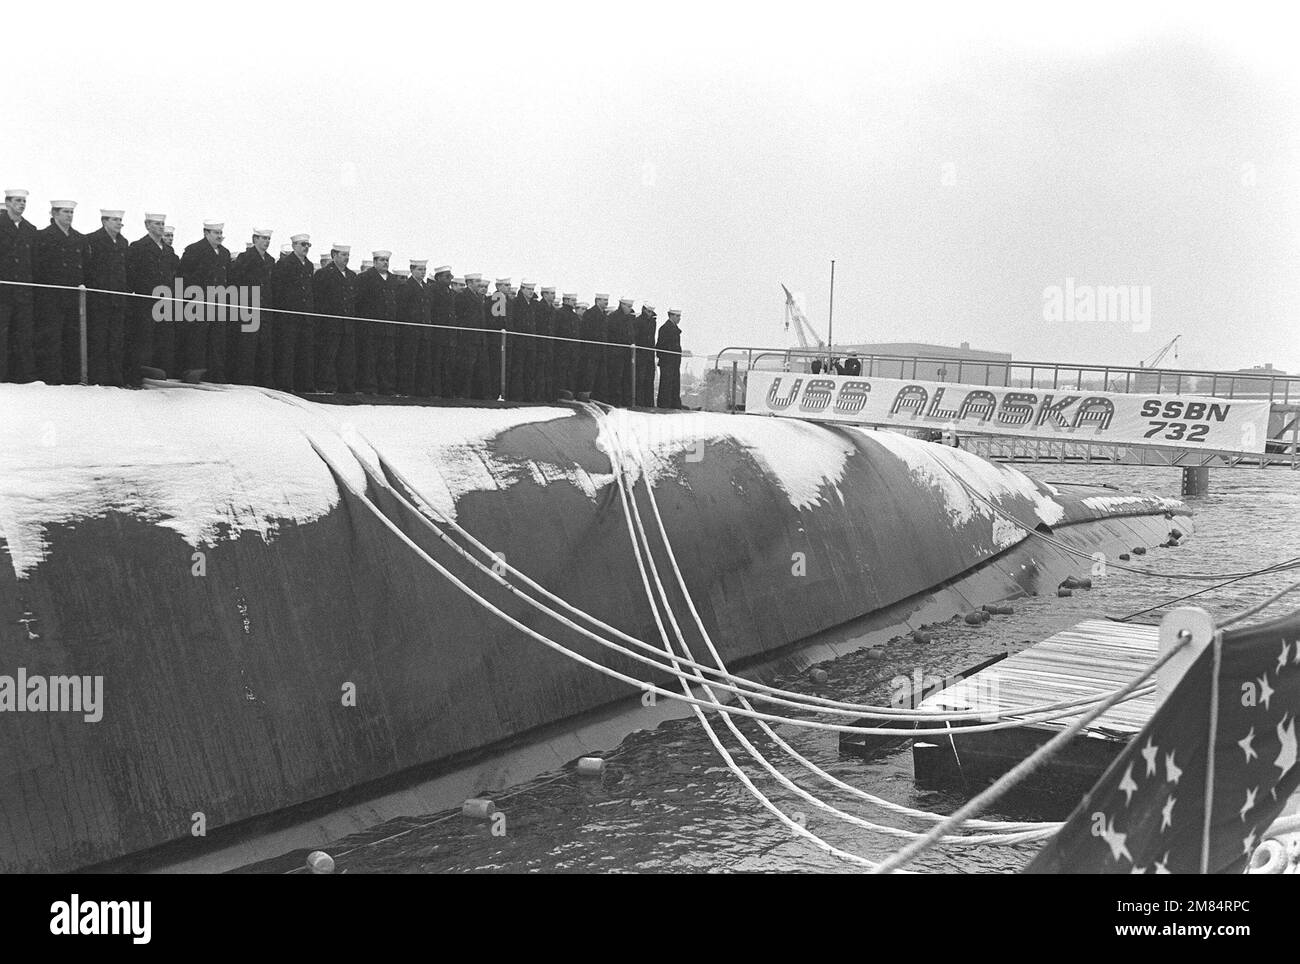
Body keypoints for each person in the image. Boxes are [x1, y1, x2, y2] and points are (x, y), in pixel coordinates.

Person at [32, 200, 87, 384]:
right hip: (51, 296)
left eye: (71, 212)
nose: (69, 215)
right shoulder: (43, 236)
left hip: (72, 296)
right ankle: (51, 376)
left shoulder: (79, 238)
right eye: (65, 212)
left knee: (71, 337)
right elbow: (37, 265)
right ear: (54, 213)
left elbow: (85, 266)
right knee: (51, 337)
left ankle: (70, 377)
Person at [178, 219, 231, 381]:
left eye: (221, 233)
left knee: (217, 339)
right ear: (206, 233)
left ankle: (215, 374)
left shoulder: (224, 253)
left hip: (218, 302)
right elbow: (182, 276)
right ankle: (194, 372)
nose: (219, 236)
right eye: (216, 233)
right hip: (198, 301)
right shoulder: (194, 250)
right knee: (197, 339)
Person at [84, 209, 130, 386]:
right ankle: (99, 377)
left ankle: (115, 378)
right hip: (99, 299)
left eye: (120, 220)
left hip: (118, 300)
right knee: (99, 340)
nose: (119, 223)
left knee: (116, 340)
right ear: (104, 221)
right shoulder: (92, 240)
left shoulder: (123, 242)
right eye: (115, 220)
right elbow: (89, 269)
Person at [229, 228, 276, 385]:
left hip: (264, 309)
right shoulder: (245, 258)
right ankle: (245, 381)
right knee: (247, 348)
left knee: (265, 348)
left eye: (268, 239)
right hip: (249, 309)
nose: (266, 242)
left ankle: (263, 382)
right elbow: (236, 281)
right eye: (263, 238)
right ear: (255, 239)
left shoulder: (270, 260)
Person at [0, 188, 37, 383]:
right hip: (2, 291)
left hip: (23, 292)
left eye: (24, 201)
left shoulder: (30, 230)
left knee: (23, 334)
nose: (21, 204)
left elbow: (35, 261)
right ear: (7, 203)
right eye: (17, 200)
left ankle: (23, 375)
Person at [270, 233, 314, 391]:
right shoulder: (285, 264)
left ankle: (302, 384)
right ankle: (285, 384)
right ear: (294, 246)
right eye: (303, 244)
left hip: (305, 316)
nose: (306, 248)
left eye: (308, 245)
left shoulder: (308, 266)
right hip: (289, 316)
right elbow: (278, 290)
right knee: (287, 351)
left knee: (304, 351)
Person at [312, 242, 357, 393]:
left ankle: (345, 386)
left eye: (348, 255)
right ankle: (327, 385)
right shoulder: (323, 274)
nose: (346, 258)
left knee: (346, 357)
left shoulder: (351, 276)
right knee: (328, 356)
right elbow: (318, 300)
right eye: (343, 255)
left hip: (347, 324)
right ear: (334, 255)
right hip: (330, 324)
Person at [355, 250, 397, 394]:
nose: (385, 263)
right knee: (370, 358)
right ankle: (369, 386)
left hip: (388, 327)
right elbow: (359, 301)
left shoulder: (393, 279)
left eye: (387, 260)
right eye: (382, 260)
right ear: (374, 262)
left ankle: (386, 387)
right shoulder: (365, 278)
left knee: (387, 359)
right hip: (371, 327)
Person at [395, 259, 430, 396]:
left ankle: (420, 390)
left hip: (424, 330)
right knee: (408, 361)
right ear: (412, 270)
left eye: (424, 270)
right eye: (420, 269)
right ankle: (406, 389)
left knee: (422, 361)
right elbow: (402, 309)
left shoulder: (426, 288)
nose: (422, 272)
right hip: (410, 330)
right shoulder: (406, 286)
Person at [427, 265, 455, 397]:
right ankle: (435, 390)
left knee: (446, 362)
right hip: (437, 332)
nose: (450, 279)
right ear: (438, 277)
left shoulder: (449, 292)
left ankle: (446, 390)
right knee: (436, 362)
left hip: (447, 333)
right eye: (447, 276)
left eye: (451, 276)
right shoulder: (433, 290)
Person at [604, 297, 635, 406]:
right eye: (629, 306)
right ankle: (615, 401)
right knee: (616, 377)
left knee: (626, 377)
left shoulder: (629, 318)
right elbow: (611, 335)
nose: (630, 309)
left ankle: (625, 400)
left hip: (626, 353)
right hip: (615, 352)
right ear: (622, 305)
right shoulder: (613, 317)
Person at [509, 280, 536, 401]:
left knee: (528, 370)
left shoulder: (531, 304)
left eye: (532, 289)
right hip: (519, 342)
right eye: (529, 289)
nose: (531, 292)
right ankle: (517, 395)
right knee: (518, 369)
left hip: (529, 343)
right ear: (522, 289)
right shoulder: (515, 303)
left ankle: (527, 395)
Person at [578, 293, 608, 401]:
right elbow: (586, 332)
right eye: (604, 300)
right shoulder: (590, 313)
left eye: (607, 300)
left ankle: (596, 396)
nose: (606, 302)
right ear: (597, 300)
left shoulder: (604, 314)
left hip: (600, 351)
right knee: (589, 374)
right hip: (591, 350)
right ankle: (585, 395)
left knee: (599, 375)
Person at [552, 291, 579, 399]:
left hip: (571, 348)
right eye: (573, 300)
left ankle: (568, 390)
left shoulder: (574, 315)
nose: (575, 302)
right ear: (566, 300)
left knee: (570, 370)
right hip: (562, 347)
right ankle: (561, 391)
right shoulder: (559, 313)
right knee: (561, 370)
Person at [656, 308, 683, 409]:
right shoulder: (665, 329)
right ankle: (665, 404)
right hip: (668, 362)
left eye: (679, 316)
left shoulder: (673, 329)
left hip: (673, 362)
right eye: (677, 316)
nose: (679, 318)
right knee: (666, 383)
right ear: (671, 316)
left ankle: (673, 403)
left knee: (674, 383)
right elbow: (660, 346)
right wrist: (667, 358)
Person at [534, 285, 556, 402]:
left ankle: (546, 395)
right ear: (544, 294)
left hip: (549, 344)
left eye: (554, 293)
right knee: (540, 370)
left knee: (548, 370)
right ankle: (539, 395)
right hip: (541, 343)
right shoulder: (539, 307)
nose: (554, 296)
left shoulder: (552, 309)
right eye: (551, 293)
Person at [633, 303, 656, 406]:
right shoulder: (638, 321)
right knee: (640, 379)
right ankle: (639, 402)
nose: (650, 314)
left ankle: (648, 402)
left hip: (649, 355)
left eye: (651, 312)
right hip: (641, 355)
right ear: (644, 310)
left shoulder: (652, 322)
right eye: (648, 311)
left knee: (649, 379)